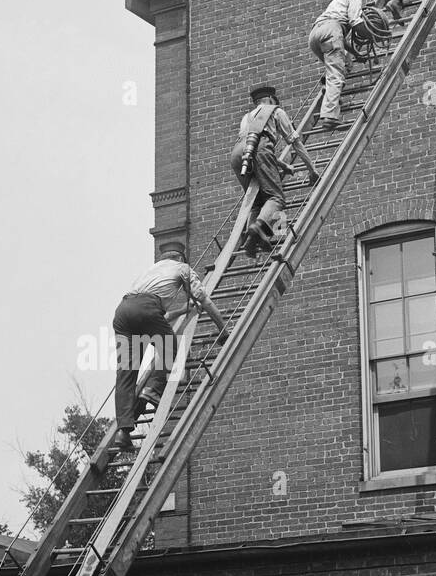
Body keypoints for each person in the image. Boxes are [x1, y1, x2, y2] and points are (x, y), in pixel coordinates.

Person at [112, 242, 229, 452]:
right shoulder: (182, 268)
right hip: (148, 309)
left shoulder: (149, 273)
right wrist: (223, 329)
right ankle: (152, 390)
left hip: (123, 312)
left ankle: (123, 431)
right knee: (169, 347)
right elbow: (204, 300)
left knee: (126, 372)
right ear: (181, 258)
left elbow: (154, 313)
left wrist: (183, 310)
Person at [231, 83, 316, 256]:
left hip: (237, 156)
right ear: (270, 99)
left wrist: (282, 165)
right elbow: (295, 142)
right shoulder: (276, 111)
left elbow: (250, 146)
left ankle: (253, 241)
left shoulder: (247, 117)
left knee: (257, 201)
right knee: (276, 198)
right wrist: (312, 169)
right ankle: (258, 228)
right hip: (260, 151)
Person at [308, 0, 367, 133]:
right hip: (331, 32)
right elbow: (355, 21)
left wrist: (356, 53)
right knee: (336, 74)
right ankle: (330, 117)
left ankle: (329, 91)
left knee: (345, 63)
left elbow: (338, 38)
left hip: (315, 34)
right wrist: (371, 35)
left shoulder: (336, 1)